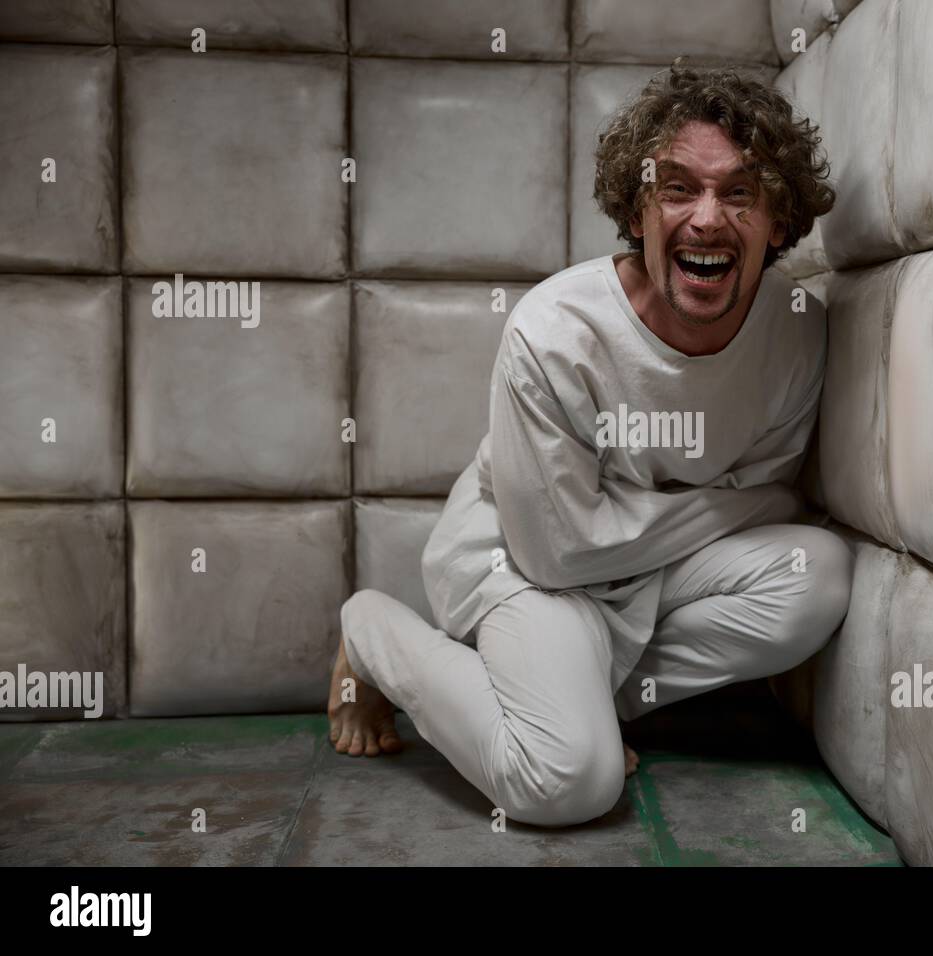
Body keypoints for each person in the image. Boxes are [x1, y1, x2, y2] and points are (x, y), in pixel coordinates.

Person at [329, 57, 851, 827]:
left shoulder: (799, 327)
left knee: (818, 578)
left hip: (643, 565)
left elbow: (765, 502)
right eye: (677, 187)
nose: (708, 218)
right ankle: (372, 634)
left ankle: (572, 699)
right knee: (567, 784)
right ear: (637, 209)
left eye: (740, 192)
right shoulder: (553, 332)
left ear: (779, 222)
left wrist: (696, 511)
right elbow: (559, 553)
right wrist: (740, 505)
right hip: (524, 569)